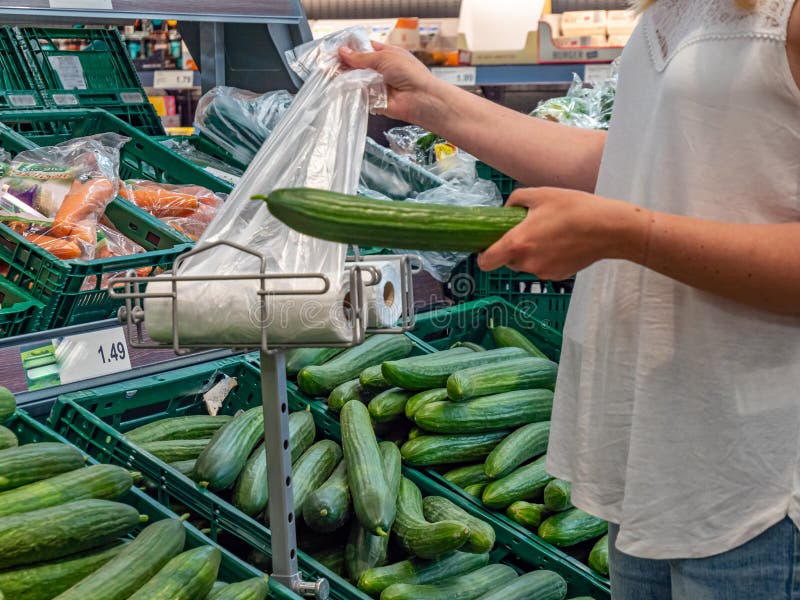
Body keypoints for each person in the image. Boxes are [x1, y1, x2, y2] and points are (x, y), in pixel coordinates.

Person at [340, 0, 800, 598]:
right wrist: (429, 101)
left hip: (759, 481)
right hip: (649, 457)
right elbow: (628, 161)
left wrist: (624, 233)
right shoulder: (680, 9)